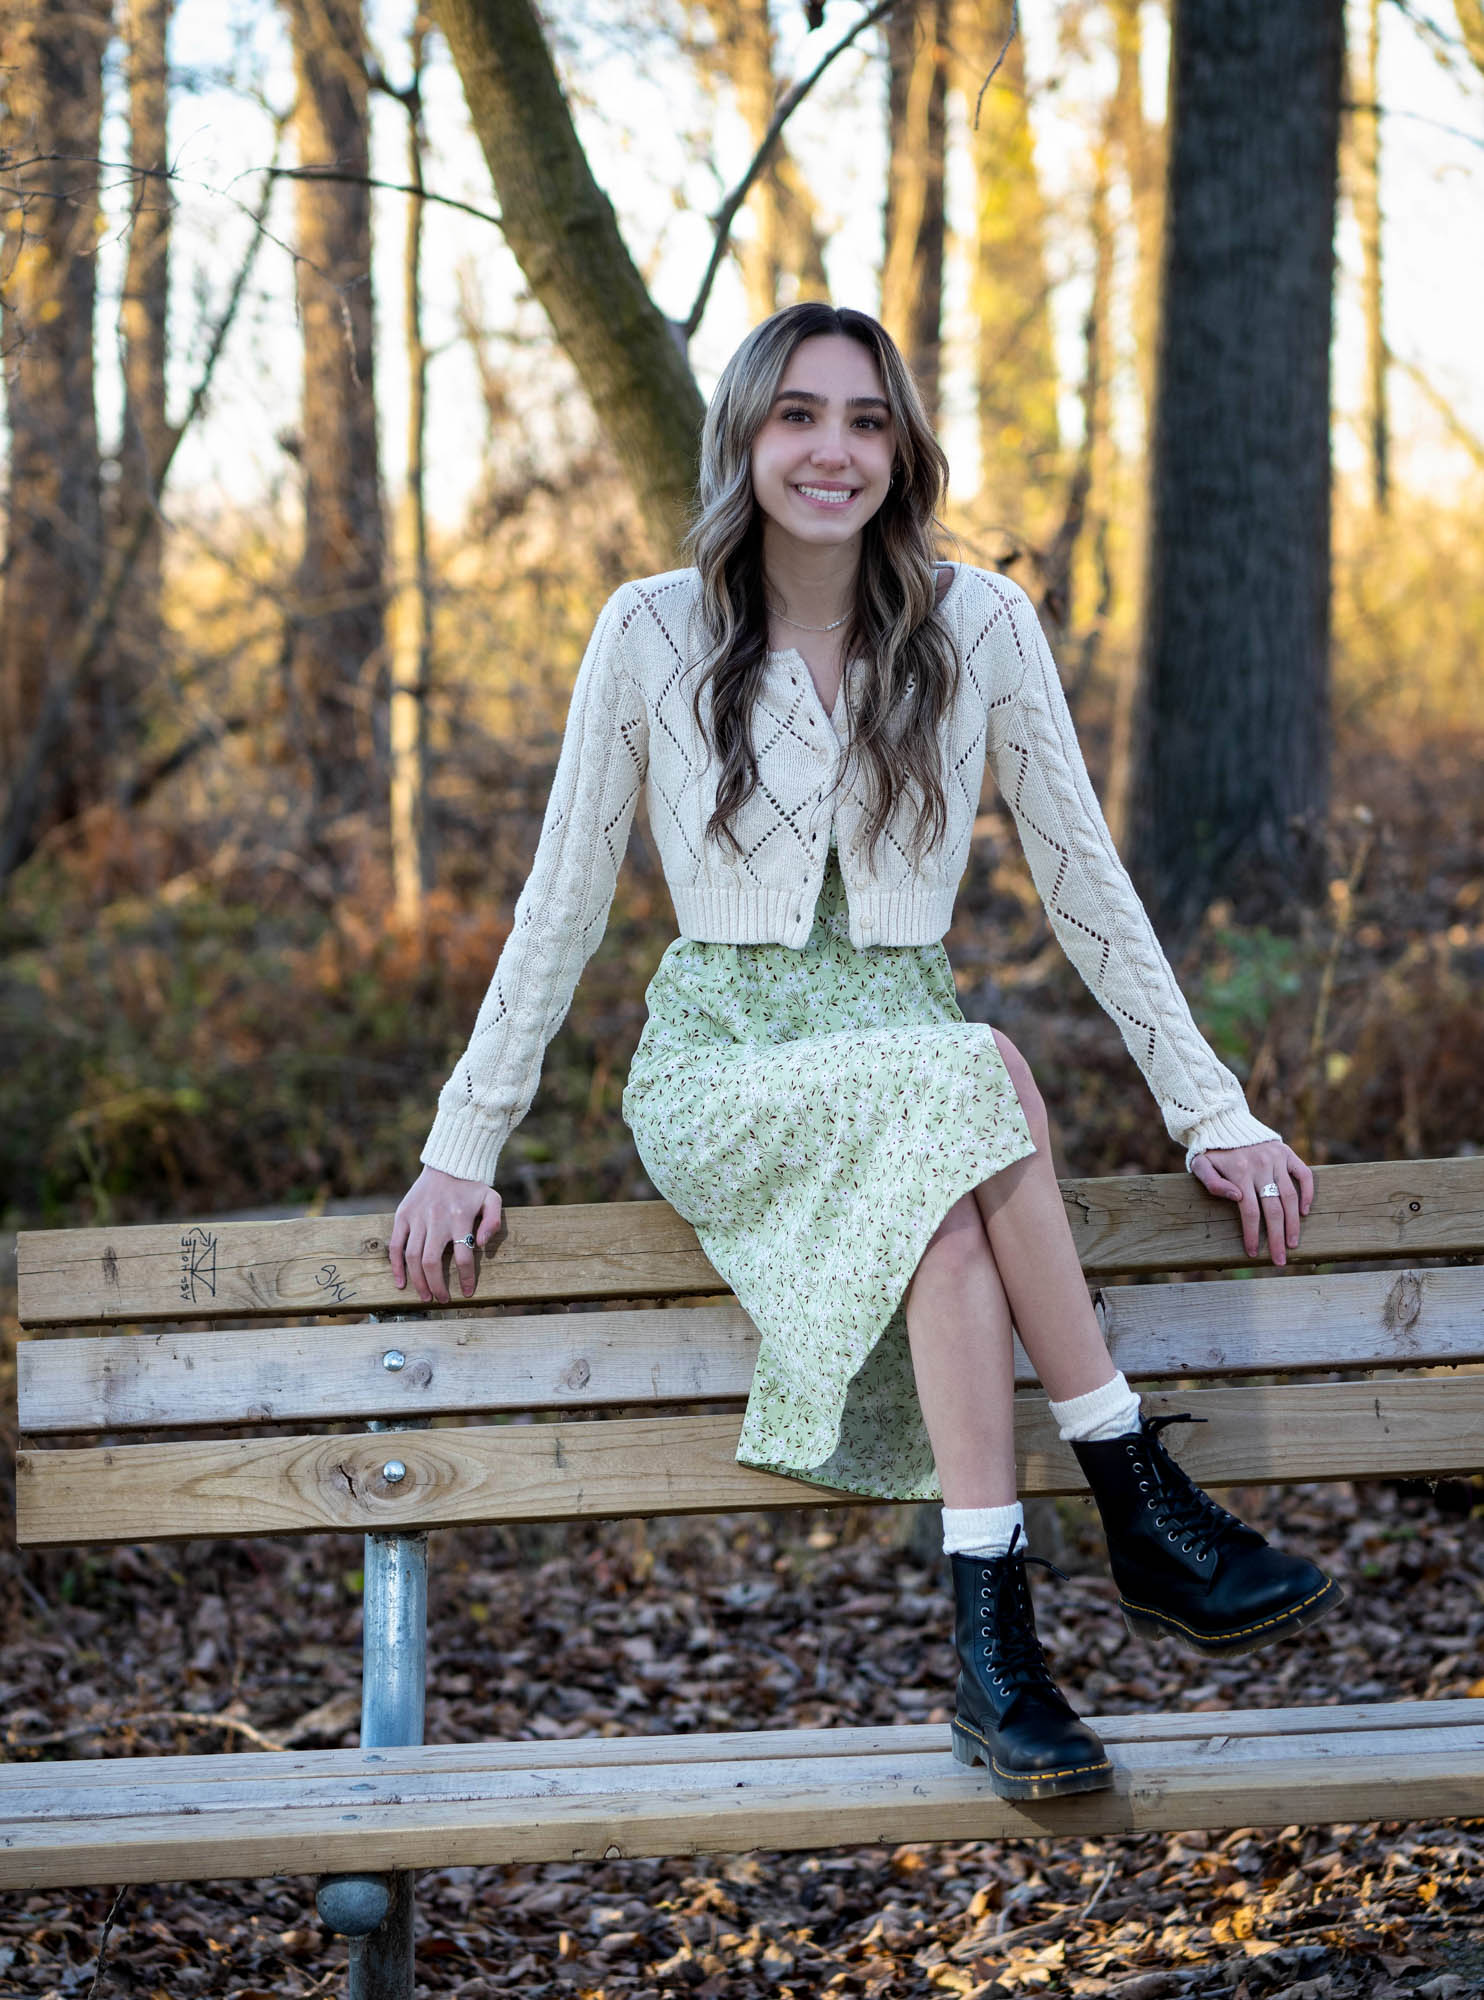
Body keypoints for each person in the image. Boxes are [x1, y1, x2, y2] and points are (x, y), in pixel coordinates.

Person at [388, 302, 1341, 1803]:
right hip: (727, 1059)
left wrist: (1206, 1106)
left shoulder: (979, 628)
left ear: (904, 450)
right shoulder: (651, 631)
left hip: (904, 1036)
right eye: (799, 416)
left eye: (868, 420)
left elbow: (1087, 881)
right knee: (985, 1076)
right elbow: (562, 899)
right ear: (746, 440)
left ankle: (997, 1656)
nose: (834, 450)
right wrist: (463, 1141)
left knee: (964, 1133)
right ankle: (1138, 1499)